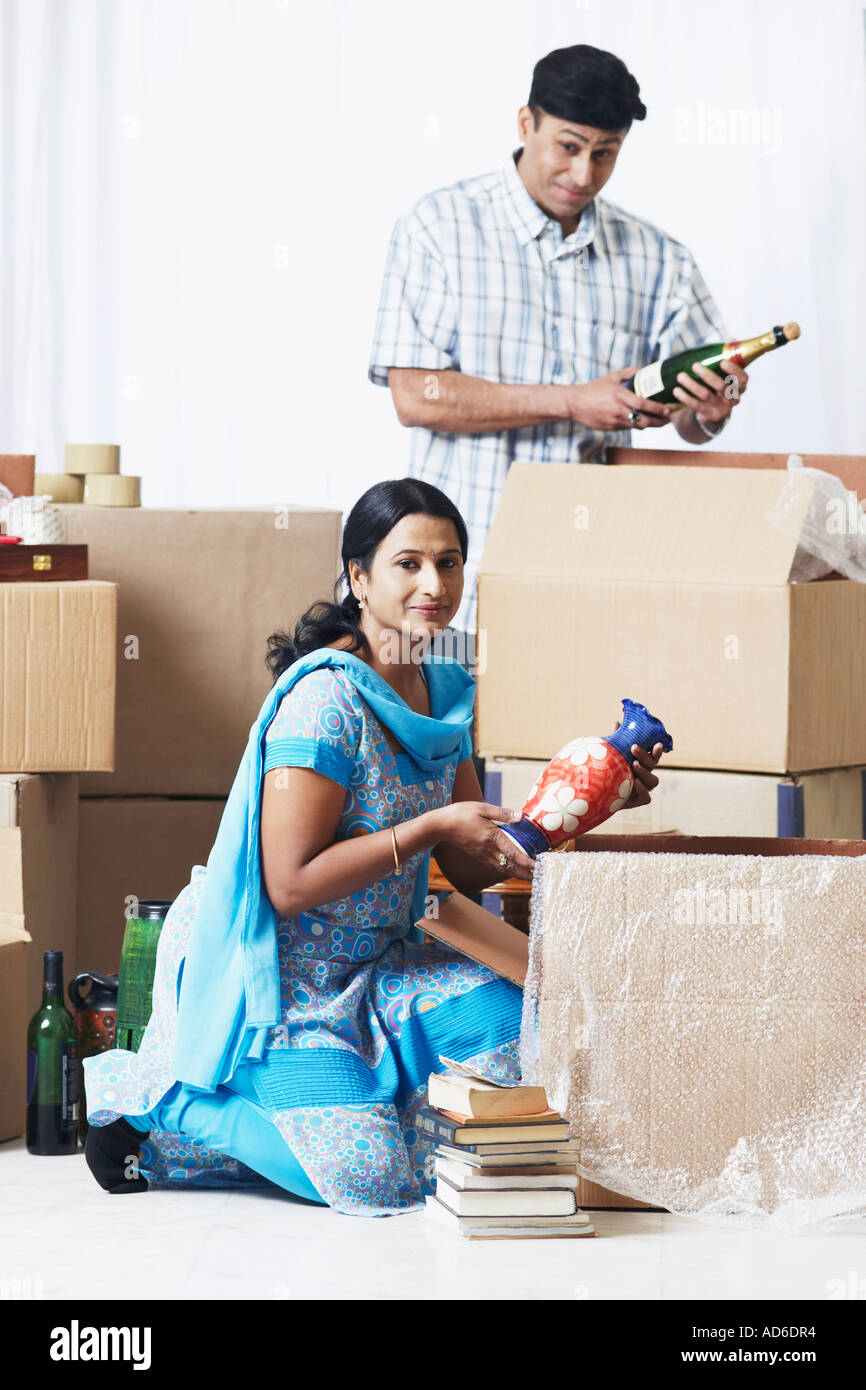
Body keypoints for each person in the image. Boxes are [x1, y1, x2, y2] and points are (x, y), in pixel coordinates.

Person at [83, 478, 664, 1215]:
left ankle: (296, 1128)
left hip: (381, 963)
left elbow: (462, 862)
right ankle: (159, 1105)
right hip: (284, 981)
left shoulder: (444, 682)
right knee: (375, 1184)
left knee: (526, 1039)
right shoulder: (325, 703)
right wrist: (426, 828)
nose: (435, 584)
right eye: (409, 564)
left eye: (450, 563)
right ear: (359, 576)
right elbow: (288, 883)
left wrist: (578, 809)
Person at [369, 43, 750, 641]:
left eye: (606, 154)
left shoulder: (659, 258)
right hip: (454, 577)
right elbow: (416, 395)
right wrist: (573, 401)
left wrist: (709, 409)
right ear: (527, 123)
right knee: (447, 735)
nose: (584, 174)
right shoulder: (438, 227)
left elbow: (694, 421)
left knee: (584, 736)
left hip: (594, 574)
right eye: (569, 147)